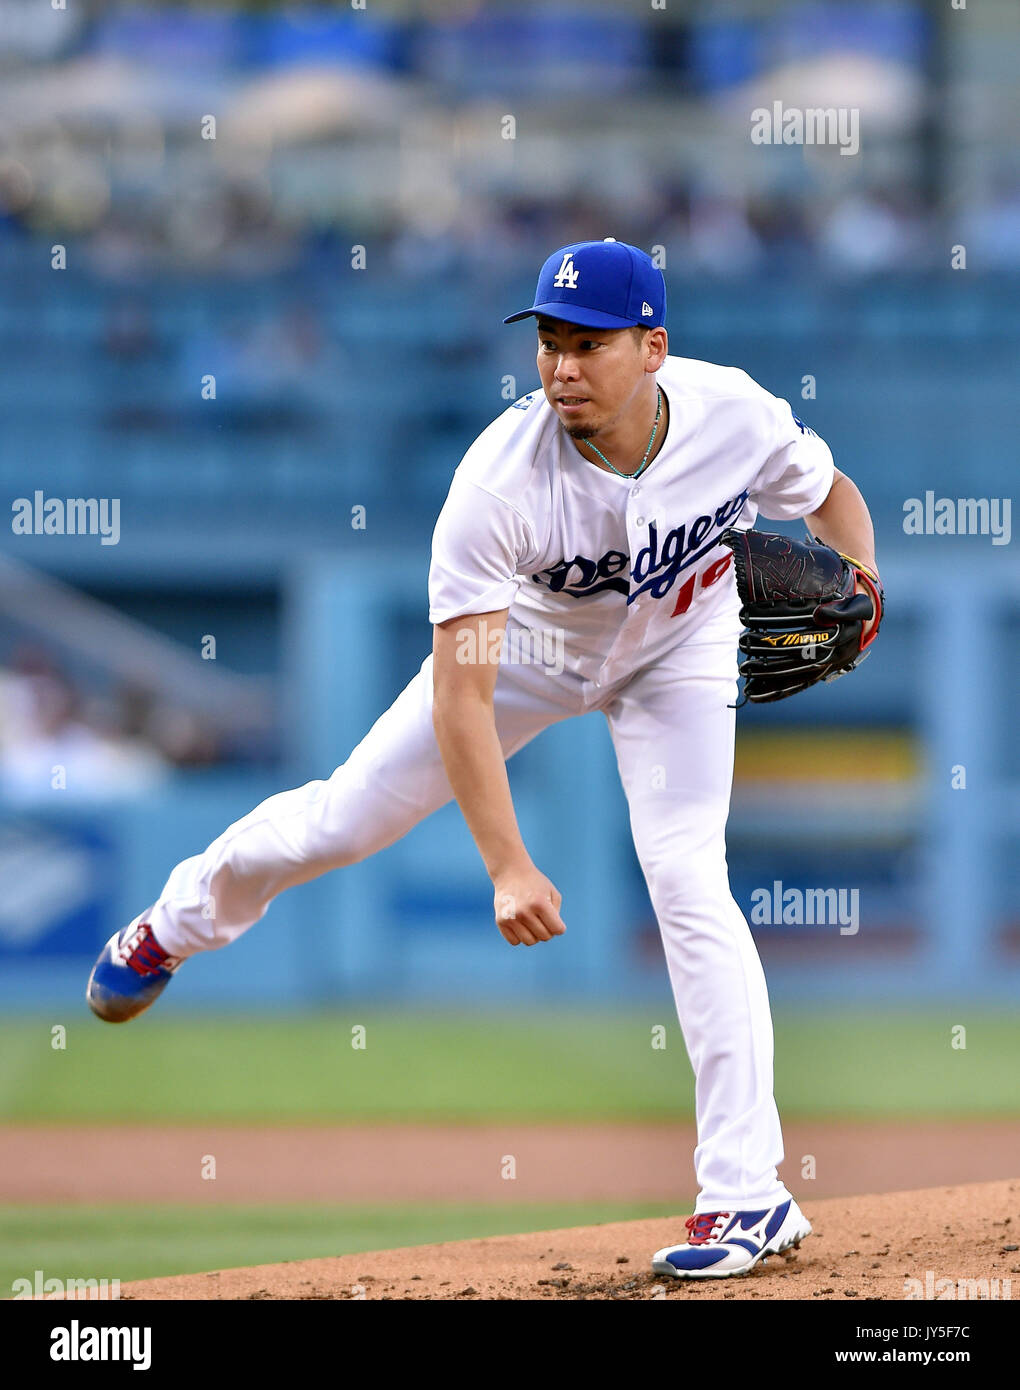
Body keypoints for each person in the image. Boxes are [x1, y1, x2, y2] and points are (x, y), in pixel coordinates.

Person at [87, 239, 880, 1279]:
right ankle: (177, 922)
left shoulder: (732, 410)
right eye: (549, 340)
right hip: (530, 659)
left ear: (652, 348)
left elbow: (828, 490)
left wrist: (867, 578)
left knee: (690, 879)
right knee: (344, 820)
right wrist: (507, 861)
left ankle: (747, 1195)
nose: (561, 365)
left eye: (587, 343)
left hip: (681, 650)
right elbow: (464, 694)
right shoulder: (497, 481)